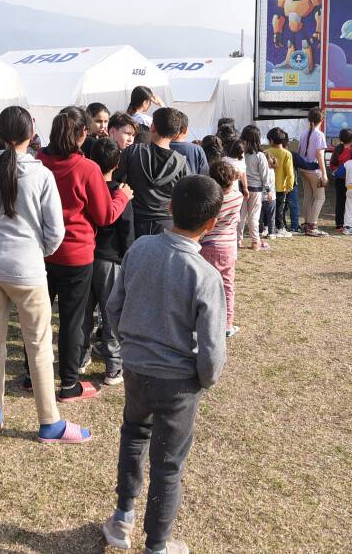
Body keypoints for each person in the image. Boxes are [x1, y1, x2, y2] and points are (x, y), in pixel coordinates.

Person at [102, 175, 228, 554]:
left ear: (170, 207)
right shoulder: (205, 274)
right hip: (178, 382)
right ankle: (156, 545)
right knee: (168, 464)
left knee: (134, 436)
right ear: (212, 224)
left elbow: (113, 306)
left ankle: (122, 517)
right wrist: (204, 379)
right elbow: (212, 347)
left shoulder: (140, 249)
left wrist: (128, 345)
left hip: (137, 370)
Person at [0, 105, 90, 444]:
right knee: (38, 345)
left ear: (0, 134)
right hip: (29, 269)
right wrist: (39, 252)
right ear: (31, 134)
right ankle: (49, 421)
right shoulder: (40, 174)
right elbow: (55, 230)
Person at [35, 107, 133, 401]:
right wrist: (122, 196)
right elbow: (105, 216)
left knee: (38, 318)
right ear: (80, 135)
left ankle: (32, 375)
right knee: (72, 320)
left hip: (40, 252)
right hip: (75, 254)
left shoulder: (39, 162)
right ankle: (68, 383)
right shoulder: (86, 168)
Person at [84, 136, 135, 385]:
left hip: (85, 257)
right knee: (111, 314)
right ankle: (113, 367)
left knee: (83, 313)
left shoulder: (85, 188)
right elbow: (127, 232)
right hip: (111, 260)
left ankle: (80, 358)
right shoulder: (121, 194)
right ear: (117, 163)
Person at [118, 108, 189, 237]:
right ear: (177, 133)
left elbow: (118, 183)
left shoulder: (133, 152)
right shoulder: (181, 163)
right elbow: (185, 197)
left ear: (153, 127)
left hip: (134, 222)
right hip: (167, 225)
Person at [201, 160, 243, 337]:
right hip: (227, 247)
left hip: (206, 245)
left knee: (203, 285)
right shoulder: (237, 197)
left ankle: (202, 320)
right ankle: (227, 324)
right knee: (227, 286)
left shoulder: (210, 200)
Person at [295, 107, 330, 237]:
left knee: (308, 196)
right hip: (314, 170)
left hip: (303, 168)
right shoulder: (319, 135)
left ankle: (306, 223)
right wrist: (325, 174)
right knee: (320, 197)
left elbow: (298, 151)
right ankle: (312, 225)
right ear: (322, 119)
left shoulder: (304, 133)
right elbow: (320, 155)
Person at [240, 125, 271, 249]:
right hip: (256, 190)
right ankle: (255, 242)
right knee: (254, 216)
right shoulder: (260, 155)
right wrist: (268, 189)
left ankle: (238, 240)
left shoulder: (241, 154)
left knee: (240, 216)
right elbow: (265, 175)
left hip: (242, 188)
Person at [264, 128, 295, 238]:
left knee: (267, 208)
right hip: (281, 187)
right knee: (279, 210)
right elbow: (290, 173)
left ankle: (266, 227)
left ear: (271, 140)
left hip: (267, 187)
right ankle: (280, 228)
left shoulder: (266, 152)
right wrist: (289, 186)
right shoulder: (287, 154)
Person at [330, 128, 352, 234]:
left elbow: (332, 164)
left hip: (339, 180)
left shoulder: (337, 149)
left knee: (340, 202)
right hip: (350, 180)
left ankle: (339, 224)